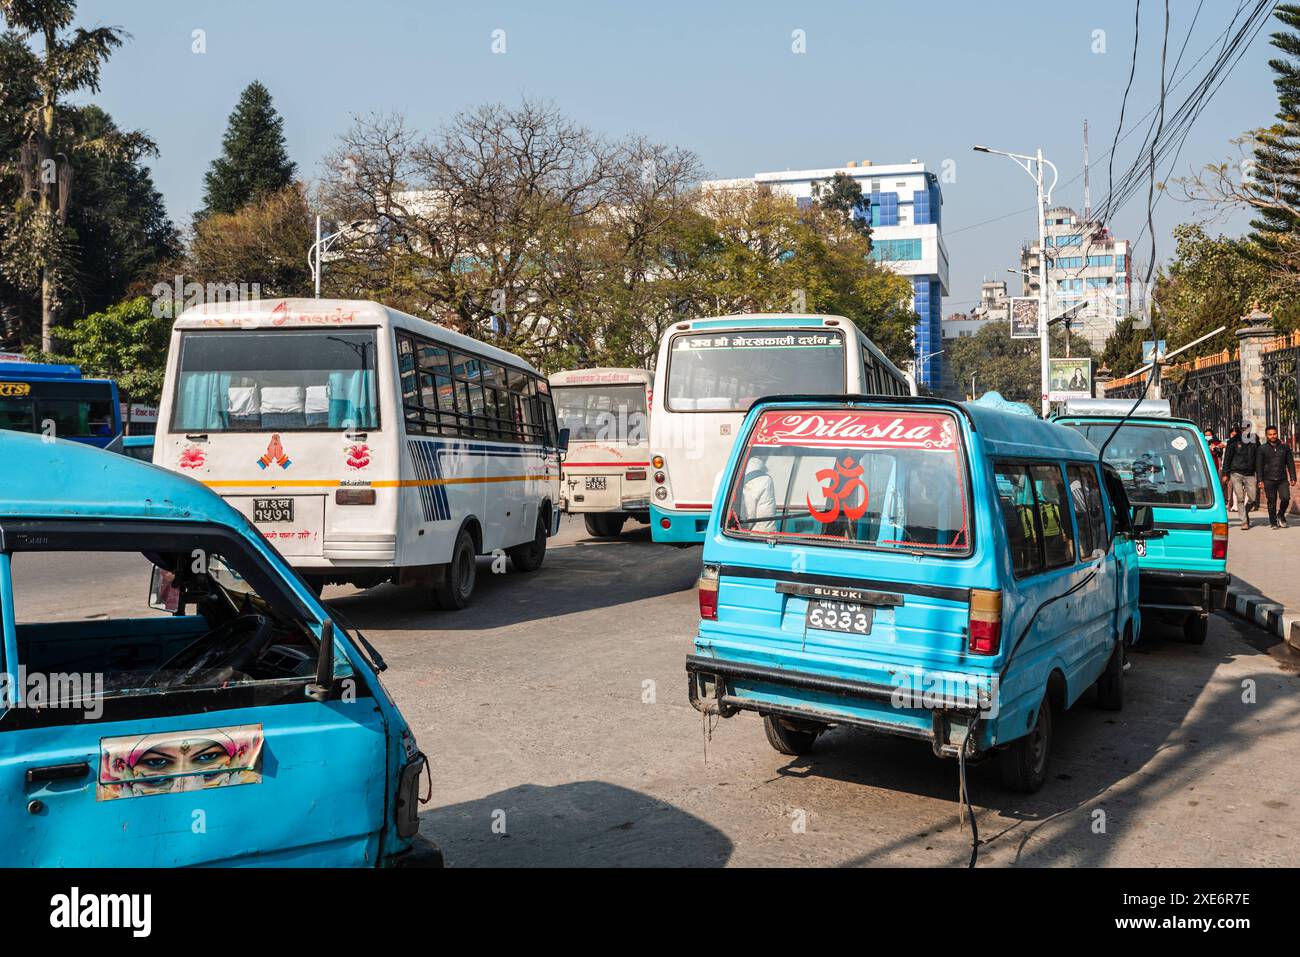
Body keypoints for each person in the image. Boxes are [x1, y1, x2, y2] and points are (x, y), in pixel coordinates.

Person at [1256, 425, 1296, 529]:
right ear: (1266, 435)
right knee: (1271, 501)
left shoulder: (1285, 447)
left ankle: (1281, 515)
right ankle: (1273, 522)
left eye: (1274, 434)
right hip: (1268, 479)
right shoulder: (1262, 449)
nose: (1273, 436)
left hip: (1282, 478)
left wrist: (1293, 477)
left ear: (1277, 434)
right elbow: (1259, 465)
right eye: (1270, 434)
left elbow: (1290, 463)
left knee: (1285, 498)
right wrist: (1260, 480)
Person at [1221, 422, 1260, 529]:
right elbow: (1227, 458)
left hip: (1250, 473)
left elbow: (1259, 455)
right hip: (1236, 472)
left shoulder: (1254, 440)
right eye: (1242, 428)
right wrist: (1225, 474)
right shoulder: (1233, 441)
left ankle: (1245, 513)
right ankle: (1244, 521)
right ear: (1239, 429)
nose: (1245, 430)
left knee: (1252, 498)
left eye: (1247, 428)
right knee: (1240, 498)